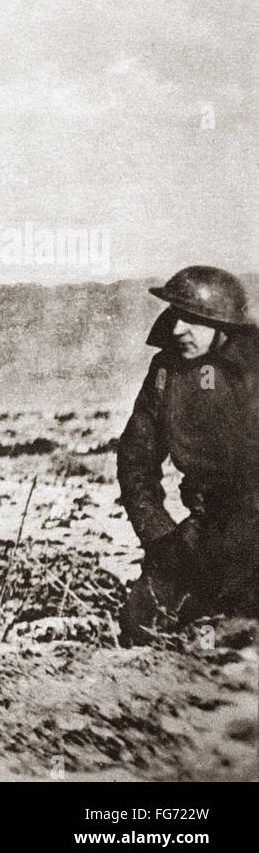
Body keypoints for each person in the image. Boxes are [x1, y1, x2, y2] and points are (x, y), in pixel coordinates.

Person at [117, 265, 259, 645]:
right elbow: (136, 460)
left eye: (193, 319)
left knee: (235, 624)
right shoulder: (167, 372)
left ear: (222, 323)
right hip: (207, 525)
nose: (178, 329)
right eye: (174, 316)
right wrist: (160, 538)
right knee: (141, 622)